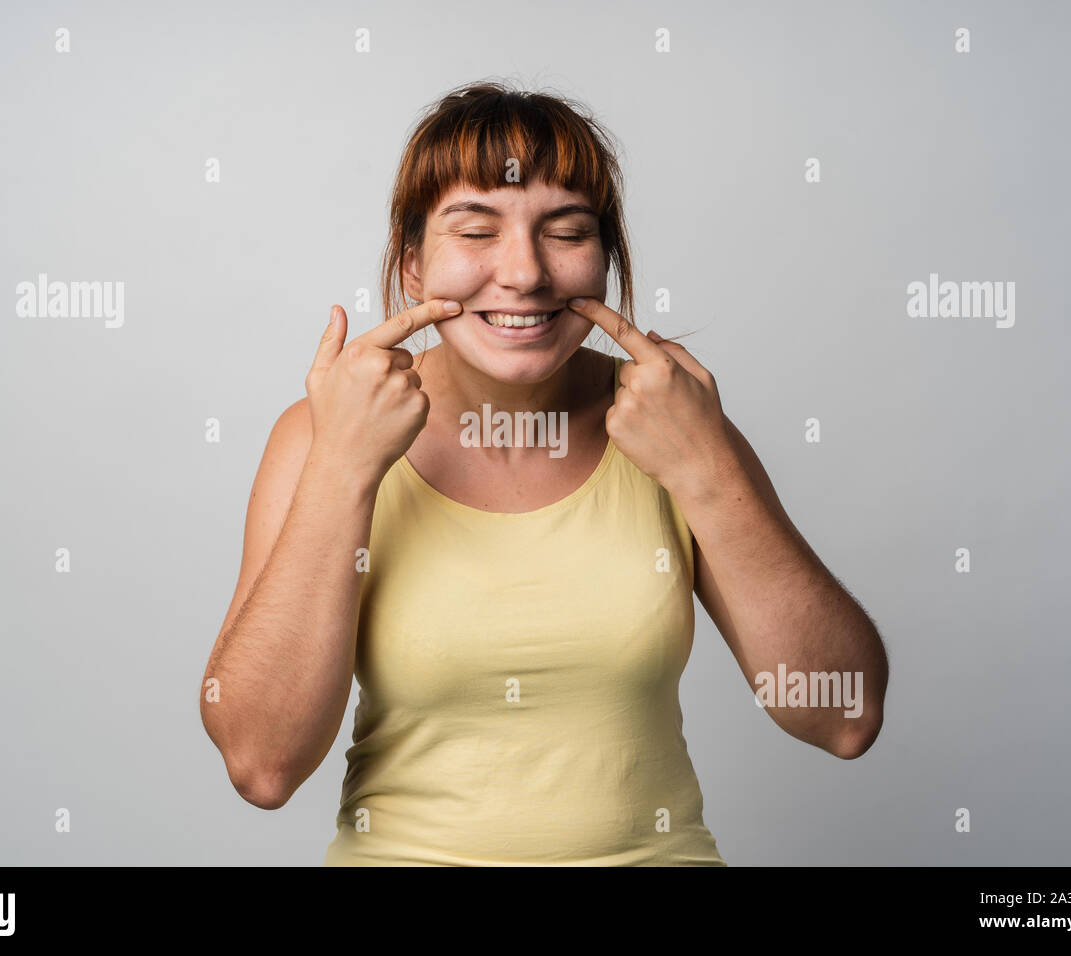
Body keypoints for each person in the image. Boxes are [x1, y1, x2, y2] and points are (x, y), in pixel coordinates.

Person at [199, 81, 889, 865]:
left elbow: (846, 717)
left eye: (566, 231)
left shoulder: (673, 423)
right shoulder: (323, 435)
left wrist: (707, 472)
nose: (525, 273)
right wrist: (343, 469)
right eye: (476, 230)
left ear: (606, 260)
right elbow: (262, 764)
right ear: (413, 265)